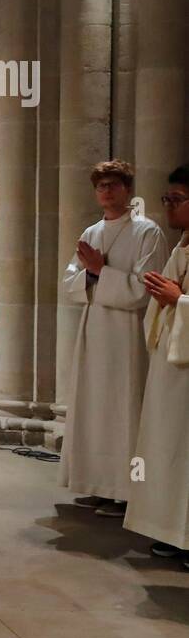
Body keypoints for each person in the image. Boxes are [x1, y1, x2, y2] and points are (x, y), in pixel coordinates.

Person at [57, 160, 170, 518]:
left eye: (113, 185)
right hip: (95, 331)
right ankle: (99, 485)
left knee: (124, 408)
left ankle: (127, 491)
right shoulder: (90, 233)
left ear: (127, 189)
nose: (106, 192)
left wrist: (99, 272)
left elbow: (142, 290)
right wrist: (93, 275)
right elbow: (69, 285)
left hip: (128, 336)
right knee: (95, 407)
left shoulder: (147, 232)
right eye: (101, 186)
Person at [124, 165, 189, 561]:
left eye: (176, 200)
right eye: (166, 199)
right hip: (172, 364)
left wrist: (178, 300)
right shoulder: (182, 246)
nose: (168, 207)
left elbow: (174, 297)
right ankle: (172, 527)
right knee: (168, 448)